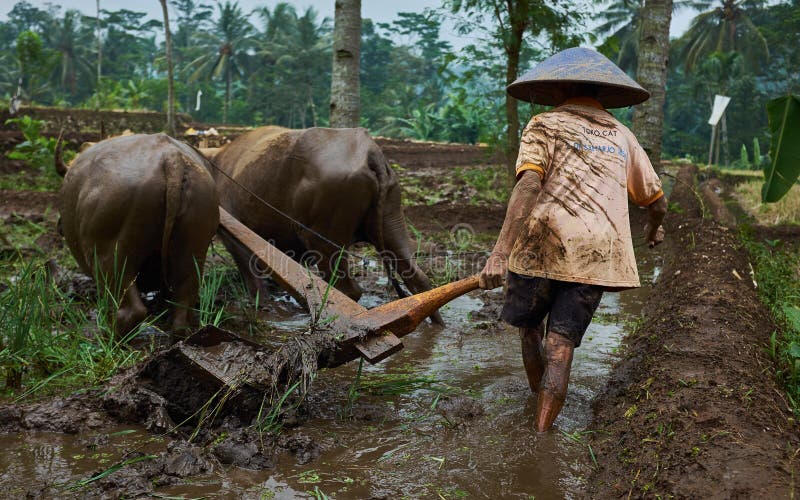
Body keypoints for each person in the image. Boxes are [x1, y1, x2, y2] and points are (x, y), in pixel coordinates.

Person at [479, 47, 668, 432]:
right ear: (601, 93)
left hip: (539, 247)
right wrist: (653, 228)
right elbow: (657, 201)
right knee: (560, 346)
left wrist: (499, 252)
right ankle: (542, 434)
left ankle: (535, 404)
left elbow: (529, 182)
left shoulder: (544, 124)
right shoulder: (622, 135)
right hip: (595, 254)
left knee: (530, 329)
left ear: (561, 86)